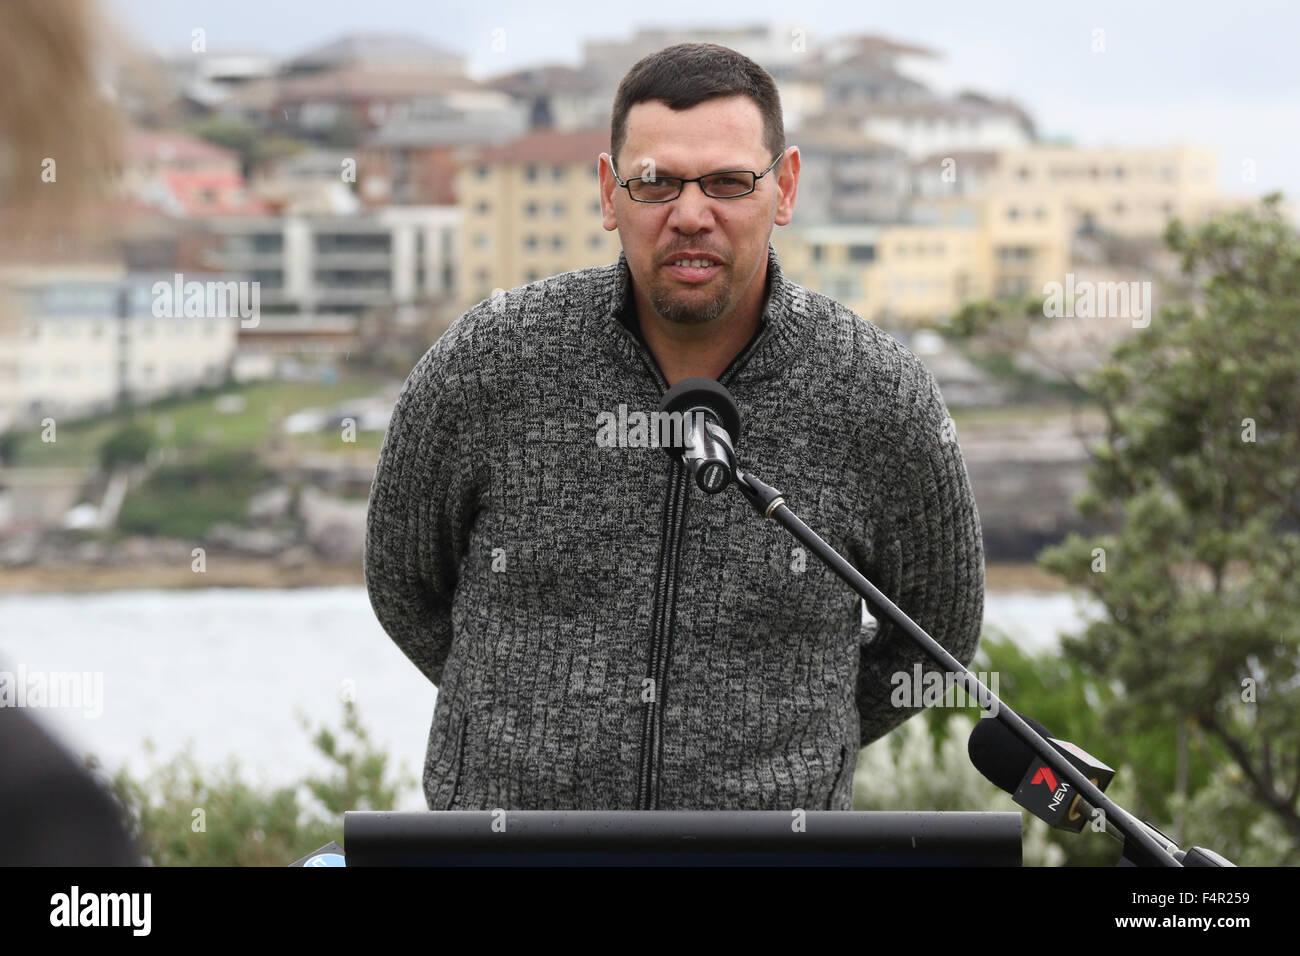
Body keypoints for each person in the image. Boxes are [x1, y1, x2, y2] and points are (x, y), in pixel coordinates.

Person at [364, 42, 985, 811]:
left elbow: (938, 635)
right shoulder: (489, 361)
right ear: (608, 191)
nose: (692, 215)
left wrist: (793, 738)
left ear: (784, 187)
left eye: (728, 182)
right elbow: (403, 583)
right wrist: (511, 718)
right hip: (508, 849)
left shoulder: (878, 395)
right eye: (655, 183)